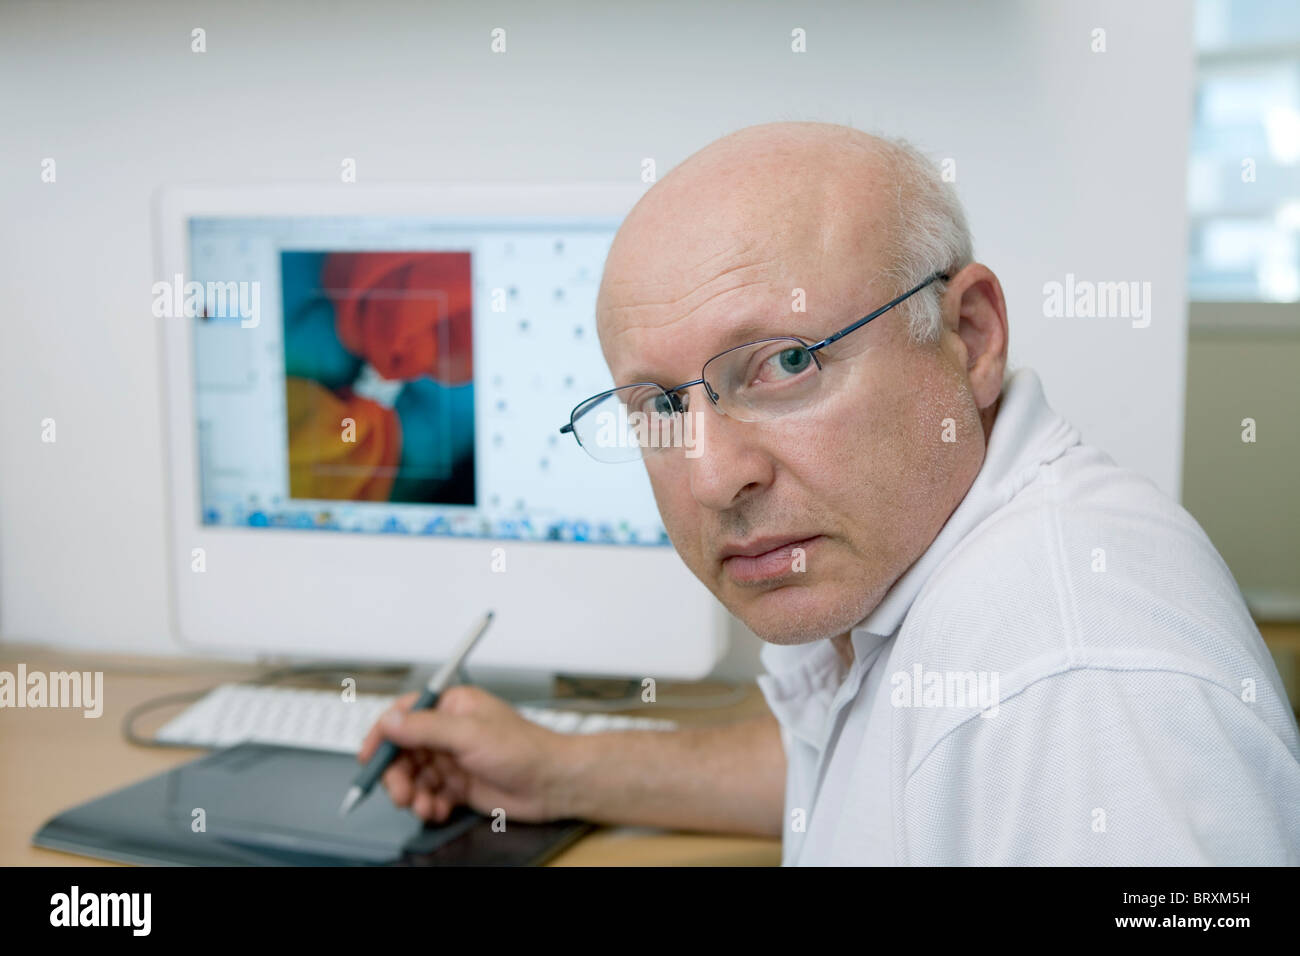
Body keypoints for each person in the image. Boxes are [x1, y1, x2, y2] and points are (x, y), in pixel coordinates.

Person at [358, 121, 1300, 864]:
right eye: (657, 406)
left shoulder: (1075, 681)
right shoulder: (943, 600)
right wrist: (553, 768)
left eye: (788, 362)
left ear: (968, 336)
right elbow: (881, 773)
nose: (715, 476)